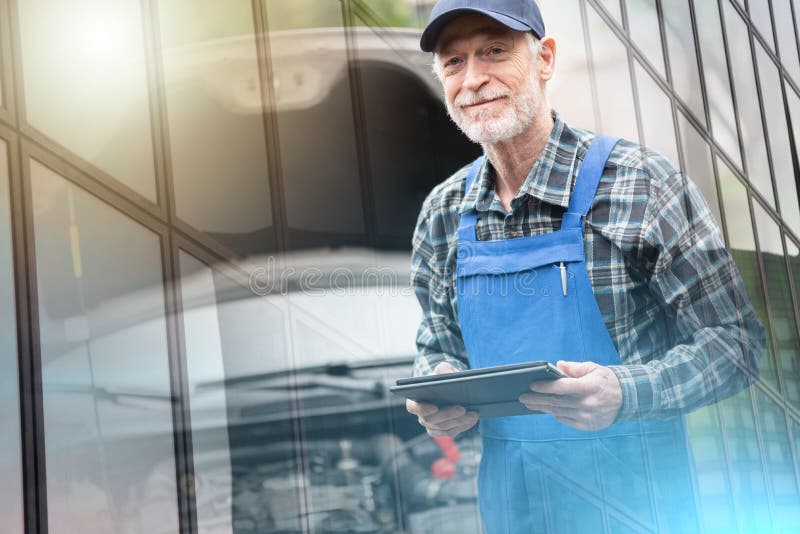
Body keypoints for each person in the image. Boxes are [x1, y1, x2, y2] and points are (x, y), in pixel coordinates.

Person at [405, 1, 766, 532]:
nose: (474, 78)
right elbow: (437, 347)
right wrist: (435, 388)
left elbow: (737, 343)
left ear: (545, 59)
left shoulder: (642, 184)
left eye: (494, 51)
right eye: (454, 62)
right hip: (513, 514)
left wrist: (627, 392)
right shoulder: (442, 214)